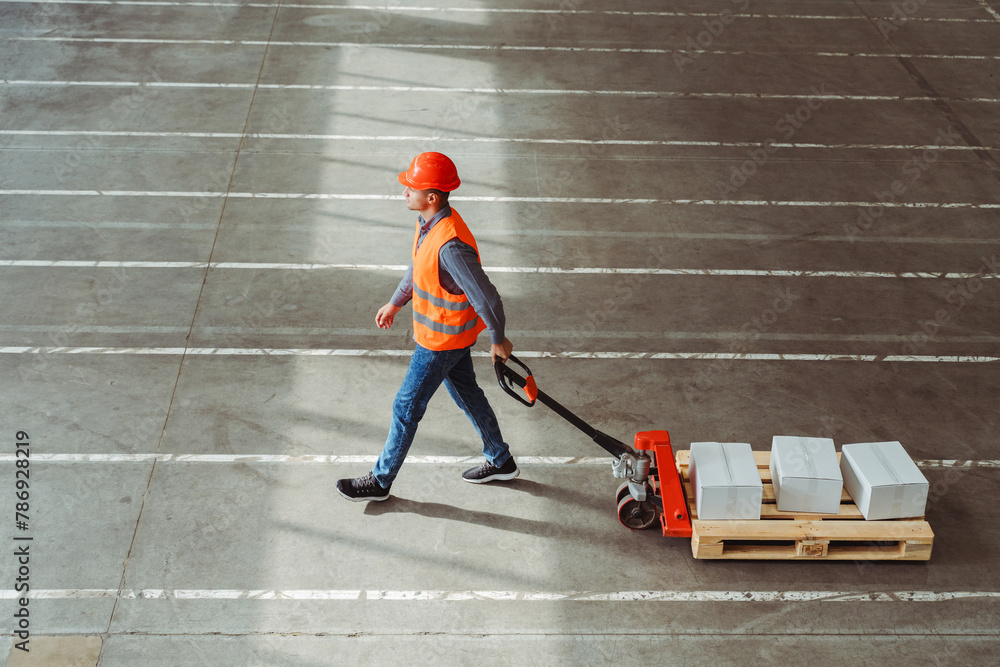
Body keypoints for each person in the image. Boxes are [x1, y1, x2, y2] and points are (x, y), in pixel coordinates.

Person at [336, 152, 518, 502]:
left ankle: (380, 480)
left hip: (440, 343)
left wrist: (498, 339)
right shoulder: (429, 225)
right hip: (448, 335)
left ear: (431, 197)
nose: (404, 190)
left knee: (405, 407)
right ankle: (501, 459)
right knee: (467, 394)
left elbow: (487, 297)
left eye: (411, 186)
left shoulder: (450, 245)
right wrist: (395, 302)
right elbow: (418, 267)